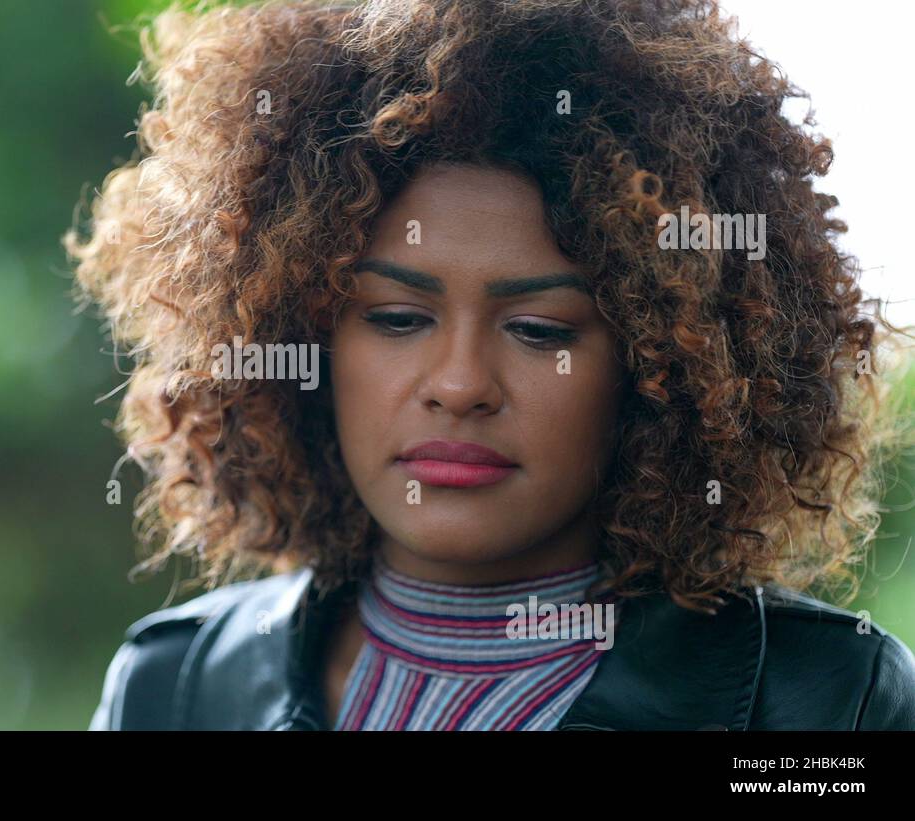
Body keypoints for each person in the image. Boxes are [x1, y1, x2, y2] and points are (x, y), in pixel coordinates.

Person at [63, 0, 915, 730]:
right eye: (398, 318)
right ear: (305, 339)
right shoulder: (173, 692)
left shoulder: (822, 702)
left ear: (663, 366)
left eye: (541, 330)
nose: (460, 383)